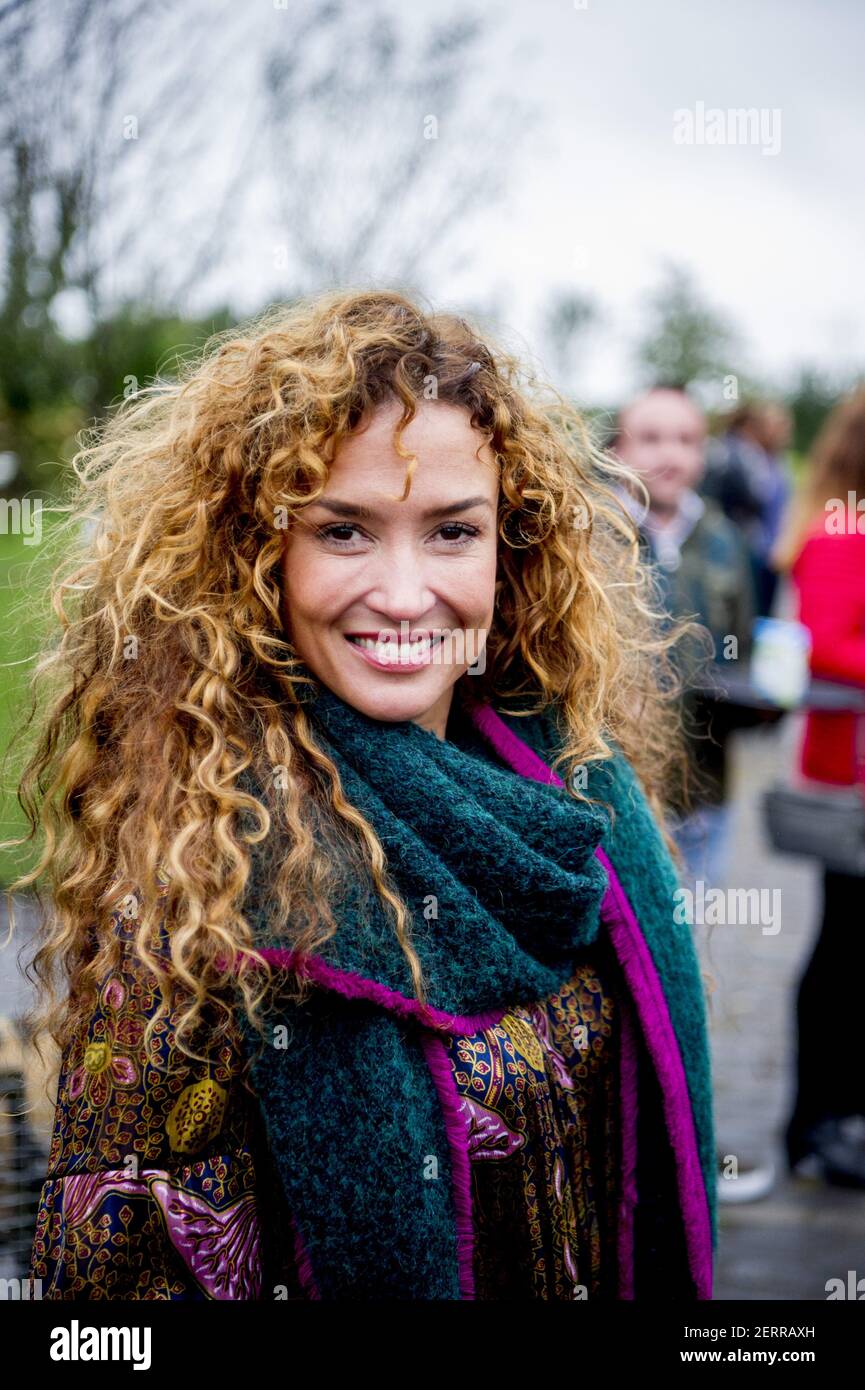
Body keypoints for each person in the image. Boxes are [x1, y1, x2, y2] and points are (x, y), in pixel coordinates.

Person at [12, 289, 716, 1300]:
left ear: (508, 549)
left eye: (450, 532)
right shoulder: (200, 869)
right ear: (260, 555)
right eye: (343, 531)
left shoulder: (573, 785)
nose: (400, 591)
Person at [771, 384, 865, 1187]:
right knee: (843, 952)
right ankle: (816, 1122)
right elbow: (827, 646)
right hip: (849, 779)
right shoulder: (840, 531)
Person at [611, 387, 757, 889]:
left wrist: (764, 700)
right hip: (612, 796)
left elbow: (744, 651)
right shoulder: (585, 533)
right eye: (650, 438)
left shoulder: (724, 538)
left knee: (687, 945)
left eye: (687, 440)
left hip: (705, 795)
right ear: (616, 451)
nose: (670, 455)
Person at [702, 400, 793, 618]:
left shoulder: (774, 460)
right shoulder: (736, 454)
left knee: (765, 610)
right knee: (751, 610)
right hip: (753, 547)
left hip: (771, 546)